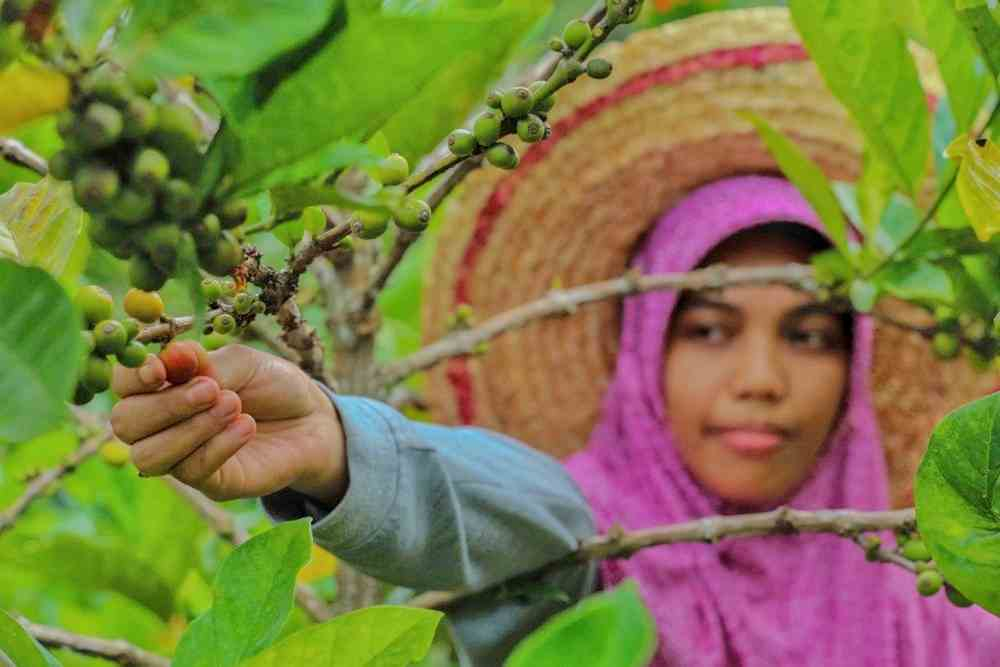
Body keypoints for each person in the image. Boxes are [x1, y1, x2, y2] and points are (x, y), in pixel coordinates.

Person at [108, 8, 1000, 666]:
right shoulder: (589, 557)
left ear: (859, 364)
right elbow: (525, 514)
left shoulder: (951, 620)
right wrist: (340, 448)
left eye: (809, 334)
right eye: (710, 328)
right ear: (643, 348)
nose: (760, 378)